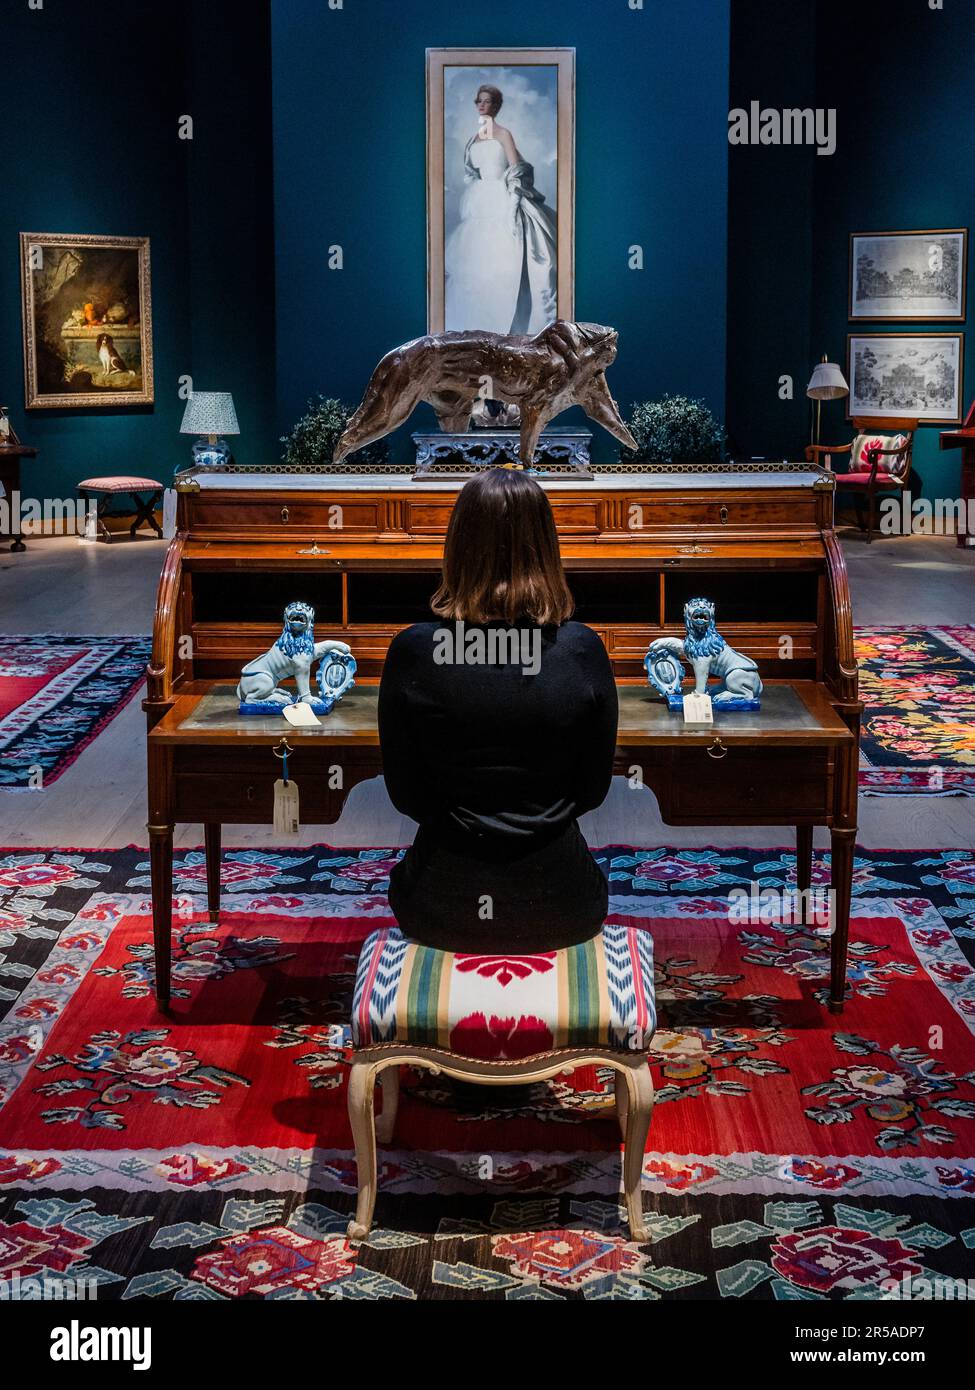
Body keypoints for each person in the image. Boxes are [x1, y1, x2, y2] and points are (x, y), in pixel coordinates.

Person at [378, 468, 618, 953]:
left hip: (438, 905)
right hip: (561, 905)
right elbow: (592, 791)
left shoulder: (414, 652)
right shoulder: (582, 651)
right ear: (547, 550)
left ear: (457, 546)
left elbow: (405, 796)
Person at [444, 83, 558, 336]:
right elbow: (470, 171)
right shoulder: (473, 139)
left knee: (502, 256)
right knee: (475, 261)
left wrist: (514, 196)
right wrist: (477, 189)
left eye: (487, 101)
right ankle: (475, 326)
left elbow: (518, 168)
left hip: (501, 197)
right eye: (479, 101)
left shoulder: (503, 134)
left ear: (496, 106)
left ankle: (505, 323)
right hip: (479, 201)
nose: (482, 105)